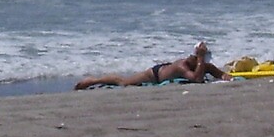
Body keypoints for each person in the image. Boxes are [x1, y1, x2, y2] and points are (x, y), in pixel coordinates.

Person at [74, 42, 231, 90]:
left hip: (165, 71)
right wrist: (201, 59)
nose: (204, 63)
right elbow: (196, 79)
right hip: (155, 74)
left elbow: (222, 75)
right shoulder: (182, 66)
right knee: (123, 82)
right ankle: (94, 80)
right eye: (202, 59)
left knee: (124, 82)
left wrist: (229, 78)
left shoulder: (202, 65)